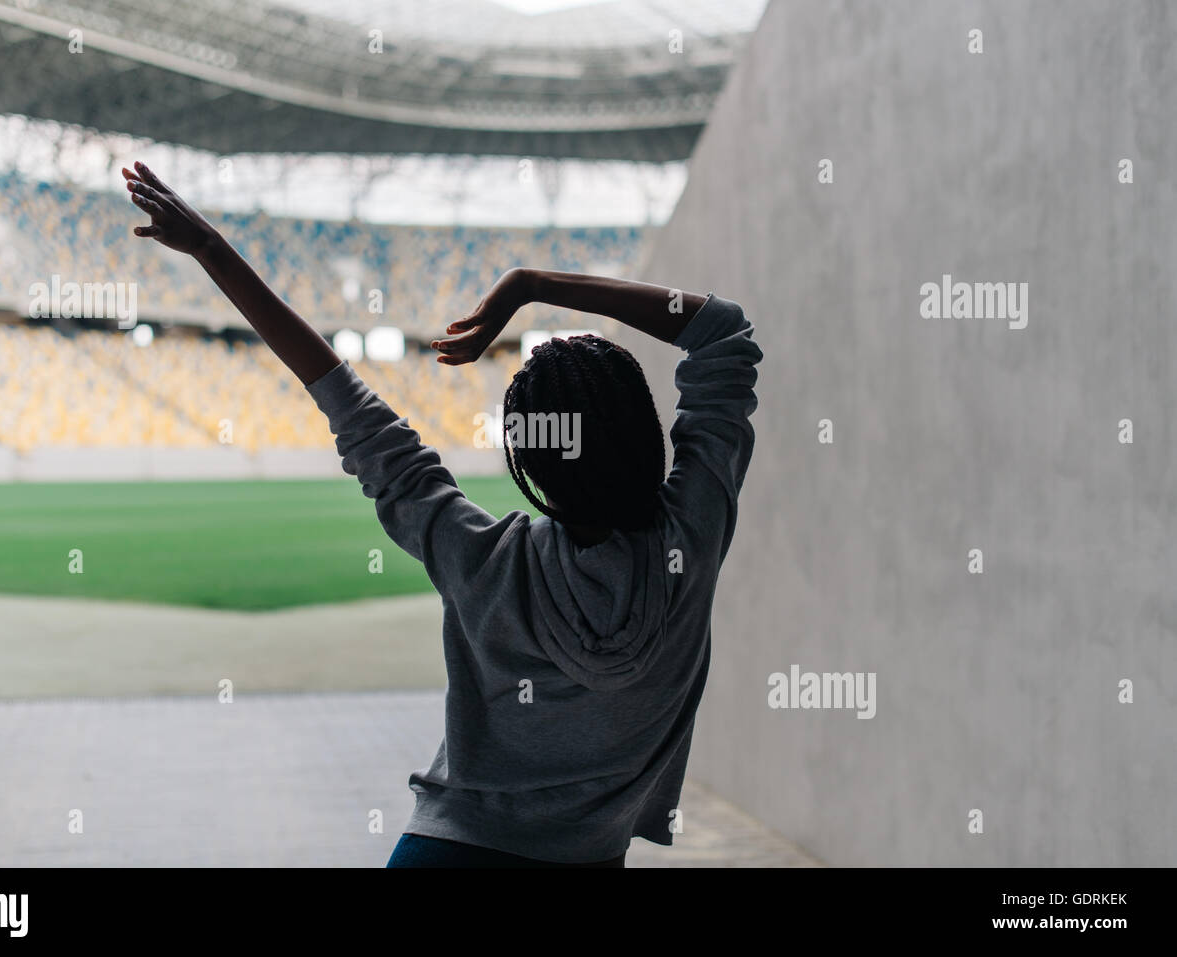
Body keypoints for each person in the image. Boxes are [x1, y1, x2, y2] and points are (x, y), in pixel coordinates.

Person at [123, 161, 763, 867]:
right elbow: (722, 333)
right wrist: (536, 286)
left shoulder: (481, 561)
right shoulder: (692, 541)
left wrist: (213, 250)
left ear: (533, 466)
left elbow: (351, 406)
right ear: (646, 431)